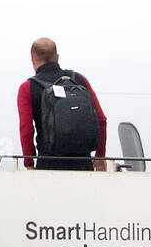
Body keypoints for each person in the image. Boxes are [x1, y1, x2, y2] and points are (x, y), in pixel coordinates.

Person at [17, 38, 107, 171]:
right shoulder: (79, 80)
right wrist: (99, 157)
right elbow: (101, 120)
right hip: (83, 163)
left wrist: (29, 163)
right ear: (57, 57)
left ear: (32, 58)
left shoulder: (28, 88)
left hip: (48, 163)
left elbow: (26, 129)